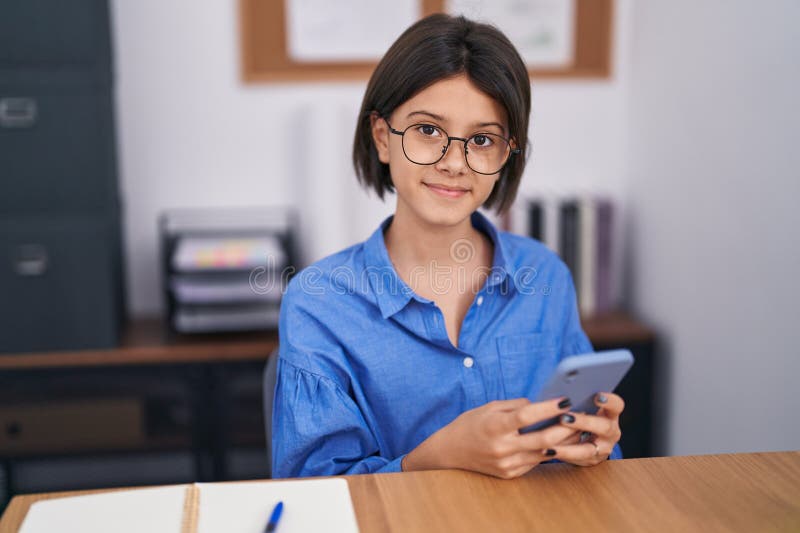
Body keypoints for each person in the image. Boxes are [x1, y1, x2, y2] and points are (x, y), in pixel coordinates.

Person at [271, 13, 624, 479]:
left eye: (481, 139)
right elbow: (312, 495)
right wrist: (436, 458)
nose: (455, 162)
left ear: (505, 155)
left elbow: (586, 461)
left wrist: (593, 446)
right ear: (382, 138)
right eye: (428, 131)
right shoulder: (318, 303)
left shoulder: (546, 276)